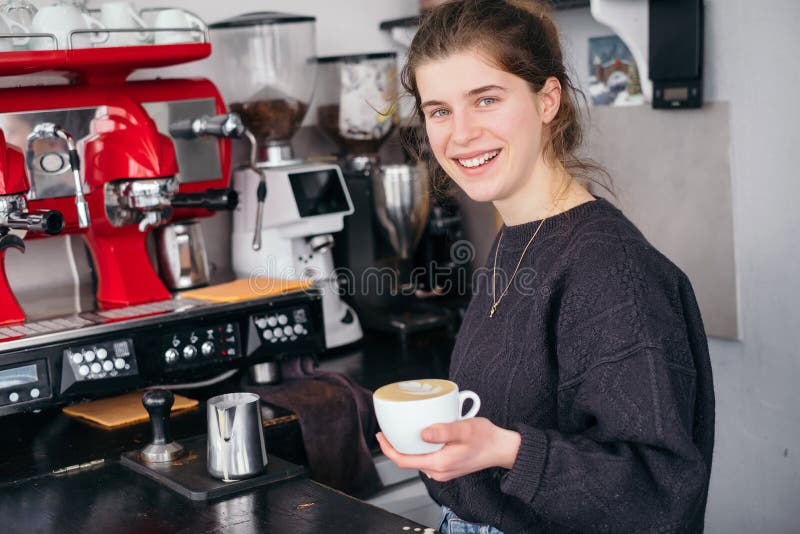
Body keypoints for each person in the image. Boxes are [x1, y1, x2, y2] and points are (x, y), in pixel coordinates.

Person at [375, 1, 715, 533]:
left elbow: (660, 490)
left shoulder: (612, 270)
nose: (459, 134)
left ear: (547, 100)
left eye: (485, 100)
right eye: (439, 110)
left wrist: (507, 450)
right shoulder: (518, 238)